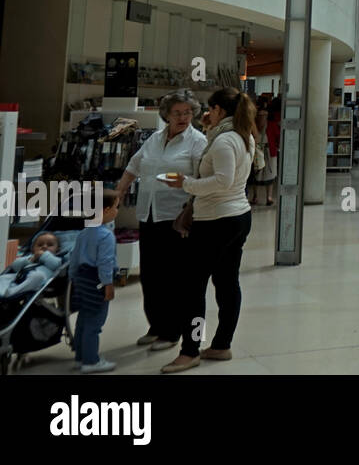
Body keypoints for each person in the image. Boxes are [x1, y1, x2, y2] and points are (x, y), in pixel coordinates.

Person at [162, 87, 256, 373]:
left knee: (193, 288)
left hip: (217, 221)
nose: (206, 114)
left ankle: (189, 350)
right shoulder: (242, 135)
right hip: (237, 217)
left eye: (210, 109)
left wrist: (185, 183)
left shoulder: (224, 141)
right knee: (227, 283)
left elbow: (223, 180)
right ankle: (221, 344)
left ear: (219, 110)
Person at [114, 89, 207, 353]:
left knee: (174, 278)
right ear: (166, 115)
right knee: (151, 276)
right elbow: (133, 165)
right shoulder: (154, 139)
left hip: (175, 217)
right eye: (177, 113)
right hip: (149, 214)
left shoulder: (197, 142)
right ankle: (156, 326)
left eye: (187, 112)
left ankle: (172, 331)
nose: (183, 117)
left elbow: (201, 178)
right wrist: (119, 192)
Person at [70, 189, 121, 373]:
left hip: (81, 280)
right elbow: (105, 262)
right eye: (116, 207)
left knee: (83, 320)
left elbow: (74, 259)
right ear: (106, 210)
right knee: (95, 323)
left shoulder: (84, 233)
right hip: (97, 281)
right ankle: (91, 361)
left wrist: (73, 278)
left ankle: (80, 357)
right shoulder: (106, 236)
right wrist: (108, 285)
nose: (117, 211)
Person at [0, 233, 63, 299]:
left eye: (50, 245)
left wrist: (44, 255)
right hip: (20, 275)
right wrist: (31, 259)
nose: (44, 246)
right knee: (3, 277)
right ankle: (2, 291)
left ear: (57, 249)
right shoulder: (30, 257)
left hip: (39, 280)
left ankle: (12, 292)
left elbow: (56, 265)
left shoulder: (56, 259)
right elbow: (15, 266)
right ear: (33, 249)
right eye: (40, 245)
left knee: (36, 276)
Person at [252, 106, 277, 205]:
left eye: (264, 115)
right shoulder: (254, 126)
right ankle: (255, 196)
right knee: (256, 174)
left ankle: (269, 197)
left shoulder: (272, 125)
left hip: (269, 152)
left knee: (270, 174)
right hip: (257, 151)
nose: (262, 117)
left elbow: (277, 136)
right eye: (260, 115)